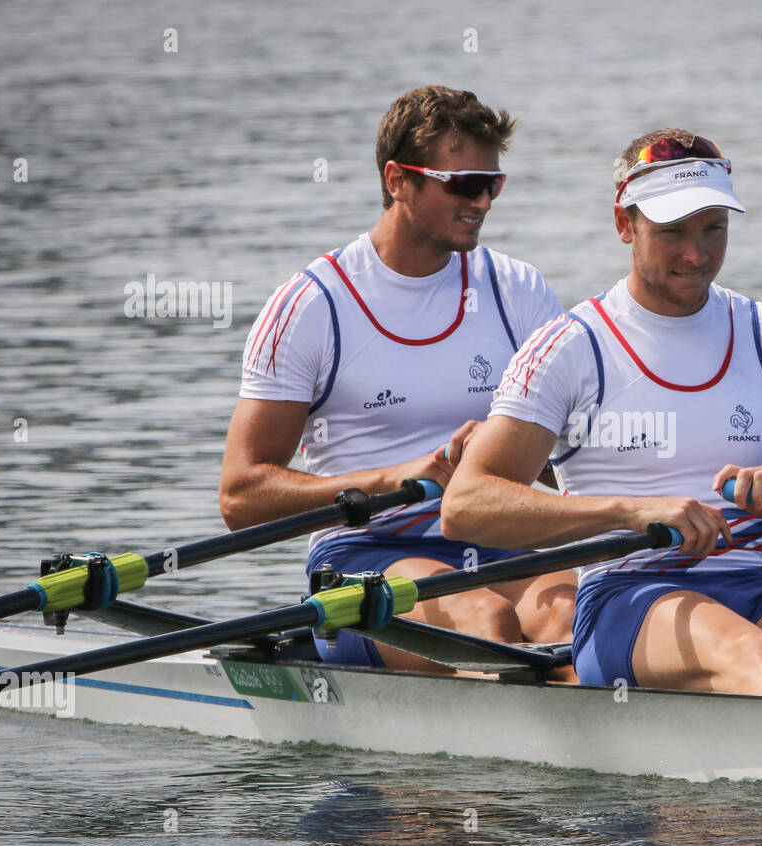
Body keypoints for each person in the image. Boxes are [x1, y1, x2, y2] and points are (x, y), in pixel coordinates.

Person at [441, 129, 762, 699]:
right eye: (672, 232)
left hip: (758, 586)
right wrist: (631, 511)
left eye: (714, 229)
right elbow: (466, 505)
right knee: (750, 656)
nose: (697, 255)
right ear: (624, 224)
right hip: (626, 599)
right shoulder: (569, 348)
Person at [219, 86, 575, 673]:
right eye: (462, 183)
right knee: (484, 623)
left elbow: (569, 459)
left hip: (496, 533)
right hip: (368, 554)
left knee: (568, 615)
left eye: (492, 183)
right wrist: (397, 476)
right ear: (397, 180)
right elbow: (240, 495)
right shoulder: (313, 306)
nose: (482, 201)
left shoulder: (519, 292)